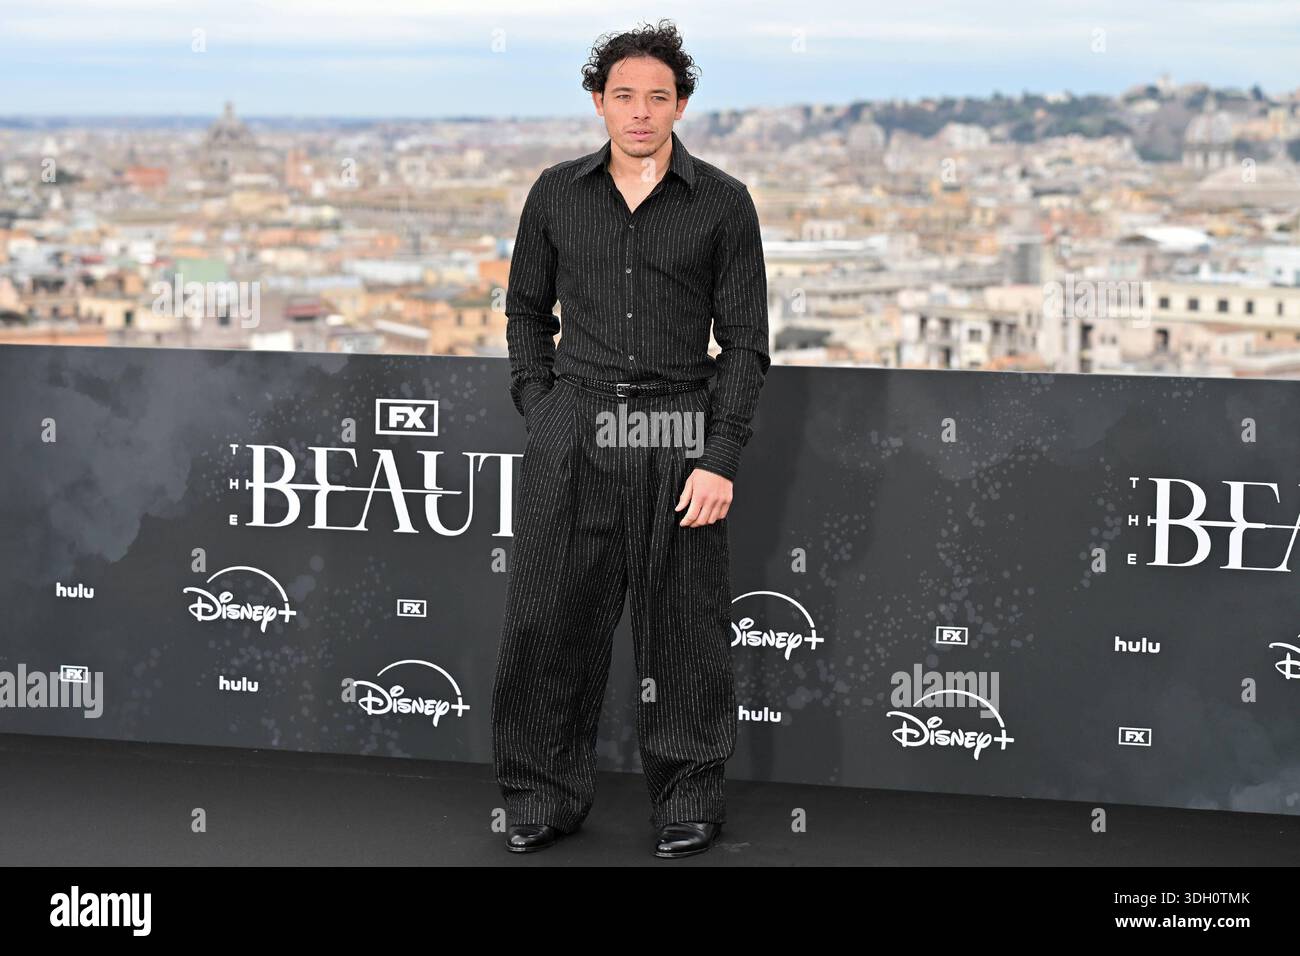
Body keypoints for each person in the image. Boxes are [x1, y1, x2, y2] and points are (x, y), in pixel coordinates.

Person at [491, 18, 770, 859]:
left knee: (682, 627)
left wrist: (718, 456)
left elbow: (747, 346)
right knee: (549, 619)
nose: (641, 112)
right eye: (624, 96)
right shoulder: (555, 192)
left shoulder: (722, 201)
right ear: (597, 102)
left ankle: (690, 799)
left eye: (658, 97)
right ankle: (540, 796)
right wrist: (540, 406)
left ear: (681, 104)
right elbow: (525, 314)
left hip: (677, 420)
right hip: (576, 418)